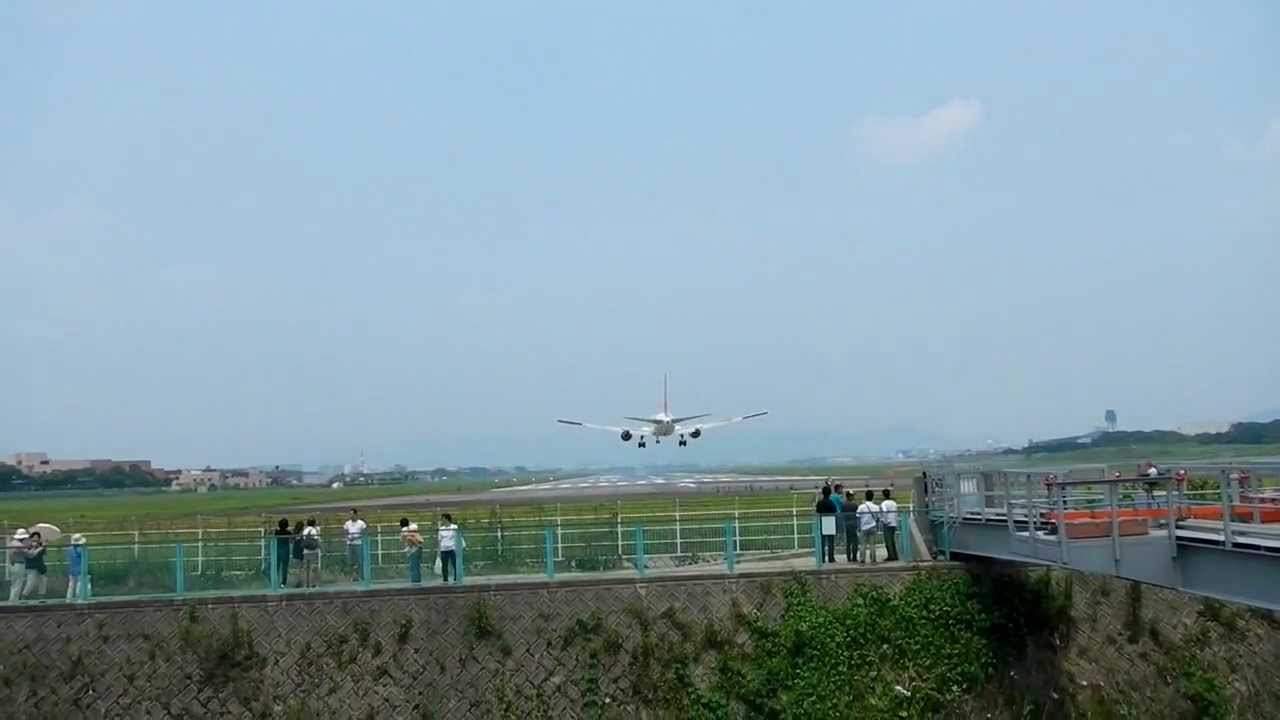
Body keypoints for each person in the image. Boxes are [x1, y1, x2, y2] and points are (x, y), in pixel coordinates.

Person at [815, 486, 838, 564]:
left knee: (822, 541)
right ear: (830, 493)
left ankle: (822, 558)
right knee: (831, 542)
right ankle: (831, 558)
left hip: (821, 522)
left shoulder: (819, 503)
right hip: (830, 522)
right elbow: (835, 511)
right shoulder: (831, 502)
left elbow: (817, 511)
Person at [856, 490, 880, 564]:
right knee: (872, 545)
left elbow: (858, 517)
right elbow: (878, 518)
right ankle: (873, 559)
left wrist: (858, 527)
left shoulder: (861, 507)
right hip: (873, 527)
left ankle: (862, 559)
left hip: (863, 527)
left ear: (865, 497)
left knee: (863, 545)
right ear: (873, 497)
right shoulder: (876, 507)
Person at [343, 508, 367, 582]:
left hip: (358, 544)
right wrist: (348, 538)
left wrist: (355, 537)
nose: (351, 516)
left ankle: (361, 577)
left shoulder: (361, 523)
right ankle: (352, 577)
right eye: (350, 514)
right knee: (350, 561)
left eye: (352, 514)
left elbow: (364, 533)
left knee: (359, 561)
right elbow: (345, 532)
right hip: (350, 544)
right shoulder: (347, 523)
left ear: (356, 514)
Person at [23, 531, 48, 599]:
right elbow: (29, 555)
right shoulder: (27, 545)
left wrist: (44, 546)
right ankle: (24, 596)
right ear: (31, 538)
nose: (36, 538)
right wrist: (35, 547)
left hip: (40, 566)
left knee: (43, 581)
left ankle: (41, 596)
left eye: (37, 537)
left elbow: (44, 553)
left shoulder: (40, 545)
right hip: (31, 566)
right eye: (34, 537)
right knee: (31, 582)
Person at [7, 528, 29, 603]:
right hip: (19, 564)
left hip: (12, 564)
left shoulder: (12, 543)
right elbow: (30, 555)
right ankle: (14, 601)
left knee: (13, 584)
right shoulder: (20, 545)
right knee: (18, 583)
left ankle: (11, 600)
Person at [437, 513, 461, 583]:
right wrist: (438, 551)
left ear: (447, 519)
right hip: (444, 549)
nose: (442, 520)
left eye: (443, 519)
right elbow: (439, 540)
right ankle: (445, 579)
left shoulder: (454, 527)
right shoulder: (441, 529)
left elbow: (458, 538)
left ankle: (456, 578)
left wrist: (458, 548)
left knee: (455, 564)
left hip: (453, 548)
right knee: (444, 565)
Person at [400, 518, 424, 584]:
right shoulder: (413, 531)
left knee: (414, 567)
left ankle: (415, 581)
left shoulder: (406, 531)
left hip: (414, 550)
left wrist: (416, 545)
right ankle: (417, 580)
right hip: (415, 549)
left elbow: (409, 539)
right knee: (416, 566)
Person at [880, 488, 900, 562]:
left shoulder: (884, 503)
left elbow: (884, 512)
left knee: (888, 541)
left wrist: (884, 520)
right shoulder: (894, 503)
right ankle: (895, 555)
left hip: (888, 523)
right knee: (892, 540)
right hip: (894, 522)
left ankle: (891, 556)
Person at [66, 534, 87, 601]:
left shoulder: (69, 549)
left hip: (72, 568)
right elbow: (84, 558)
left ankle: (69, 598)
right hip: (80, 568)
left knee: (71, 584)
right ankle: (79, 597)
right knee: (79, 584)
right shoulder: (81, 549)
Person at [301, 518, 321, 588]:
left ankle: (306, 584)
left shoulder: (305, 530)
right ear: (314, 523)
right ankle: (314, 583)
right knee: (314, 567)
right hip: (313, 551)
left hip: (306, 551)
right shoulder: (314, 530)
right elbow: (316, 539)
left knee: (306, 568)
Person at [273, 518, 292, 588]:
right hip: (285, 551)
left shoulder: (277, 532)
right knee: (284, 568)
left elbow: (275, 536)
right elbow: (292, 539)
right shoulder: (288, 532)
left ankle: (274, 582)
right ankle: (283, 583)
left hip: (277, 550)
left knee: (276, 567)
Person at [843, 490, 859, 562]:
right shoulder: (855, 505)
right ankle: (854, 557)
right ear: (849, 496)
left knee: (848, 542)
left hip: (847, 524)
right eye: (852, 496)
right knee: (855, 541)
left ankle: (848, 557)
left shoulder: (844, 505)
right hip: (853, 524)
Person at [290, 520, 306, 588]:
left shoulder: (294, 533)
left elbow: (291, 541)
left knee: (297, 567)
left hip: (296, 551)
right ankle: (299, 581)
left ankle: (298, 581)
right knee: (300, 567)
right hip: (301, 551)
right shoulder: (302, 533)